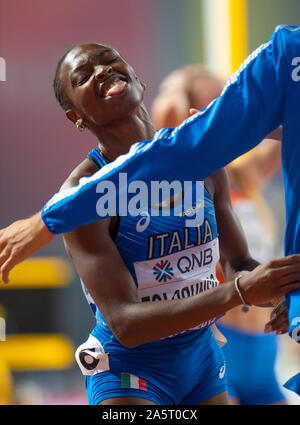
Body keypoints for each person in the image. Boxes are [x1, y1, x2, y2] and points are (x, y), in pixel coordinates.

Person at [1, 41, 299, 406]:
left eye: (110, 60)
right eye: (84, 76)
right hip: (130, 369)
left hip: (202, 358)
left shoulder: (201, 158)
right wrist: (239, 292)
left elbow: (236, 264)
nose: (102, 70)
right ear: (75, 116)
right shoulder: (81, 194)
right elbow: (126, 325)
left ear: (139, 78)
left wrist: (286, 292)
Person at [151, 64, 287, 405]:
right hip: (218, 341)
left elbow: (286, 128)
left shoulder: (240, 175)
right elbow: (165, 124)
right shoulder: (170, 180)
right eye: (216, 96)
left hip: (263, 346)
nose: (227, 103)